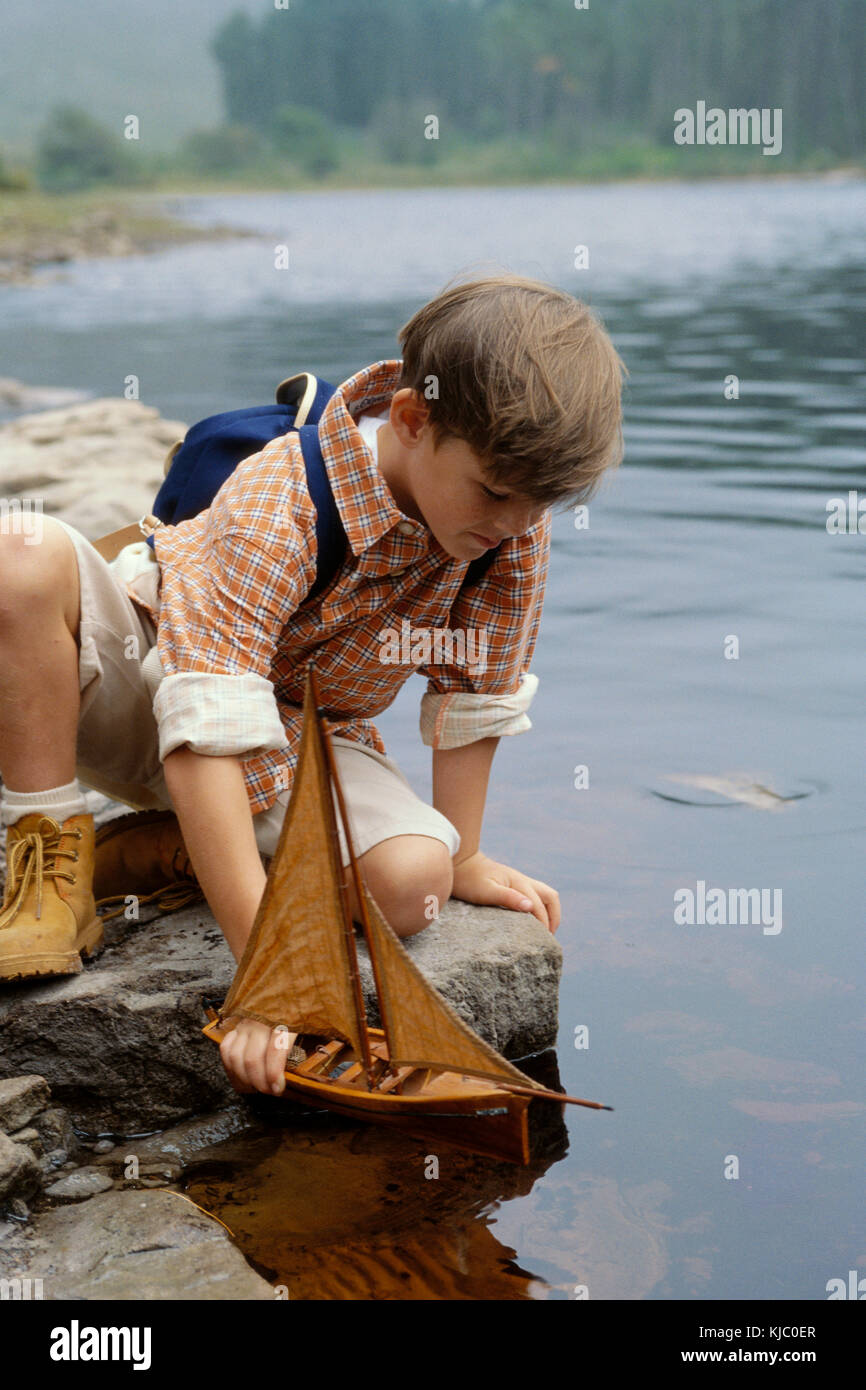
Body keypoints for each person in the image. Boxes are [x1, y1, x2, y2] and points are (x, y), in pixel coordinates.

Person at [0, 271, 626, 1097]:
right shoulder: (284, 497)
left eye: (541, 504)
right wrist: (271, 975)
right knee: (23, 552)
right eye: (498, 492)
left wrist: (463, 853)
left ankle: (170, 852)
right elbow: (203, 727)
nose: (515, 522)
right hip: (145, 681)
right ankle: (45, 857)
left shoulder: (507, 529)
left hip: (293, 732)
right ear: (411, 419)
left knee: (413, 884)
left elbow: (474, 690)